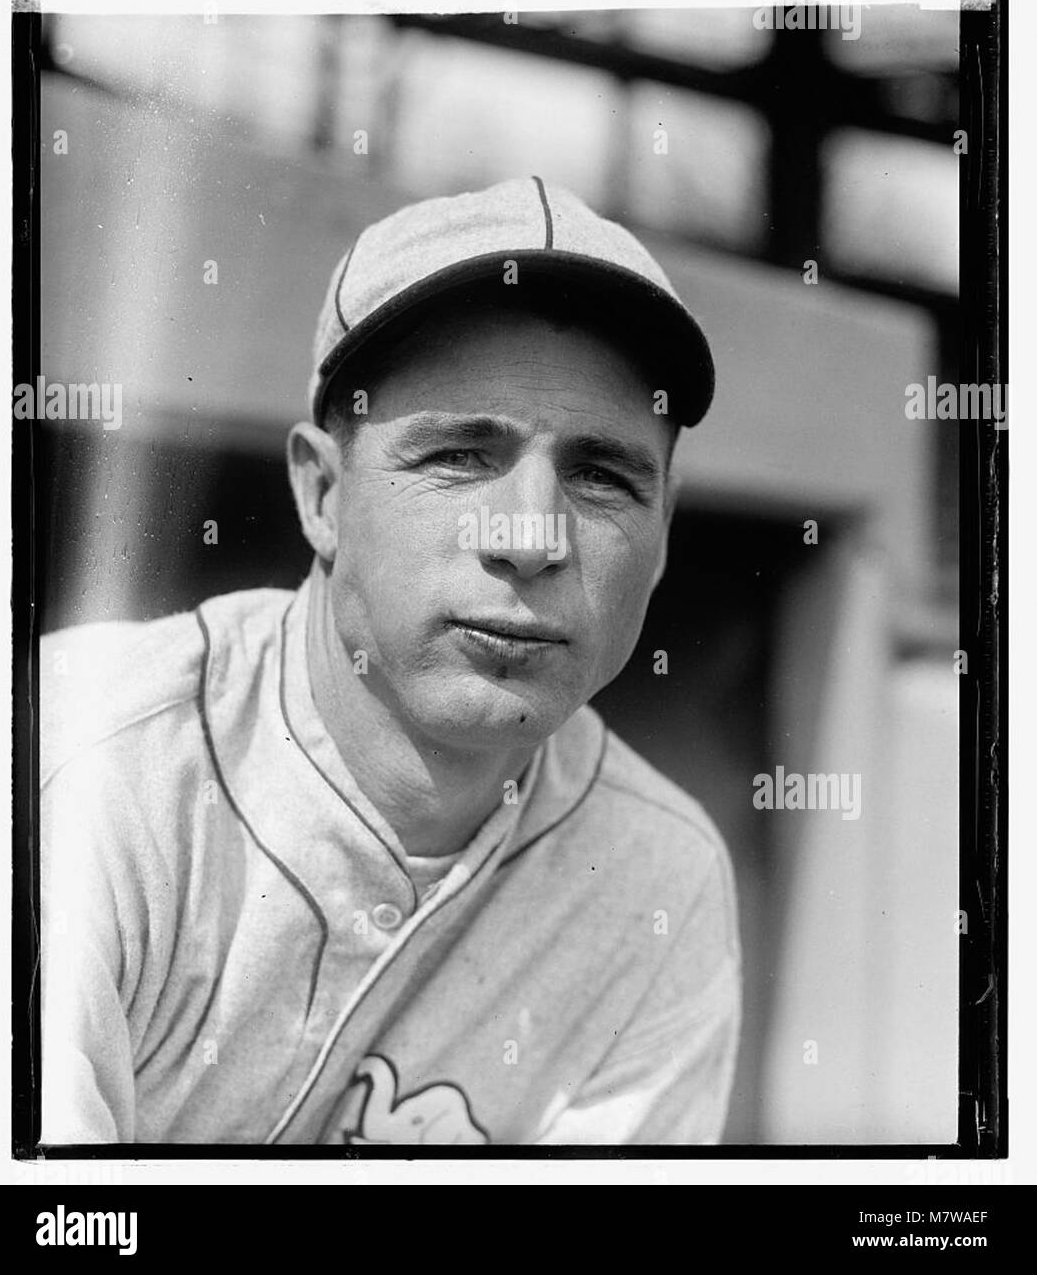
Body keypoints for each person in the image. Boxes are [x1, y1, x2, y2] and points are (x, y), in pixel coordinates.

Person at [40, 176, 741, 1145]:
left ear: (660, 537)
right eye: (459, 455)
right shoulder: (73, 763)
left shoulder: (662, 880)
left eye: (598, 474)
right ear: (322, 495)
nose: (531, 536)